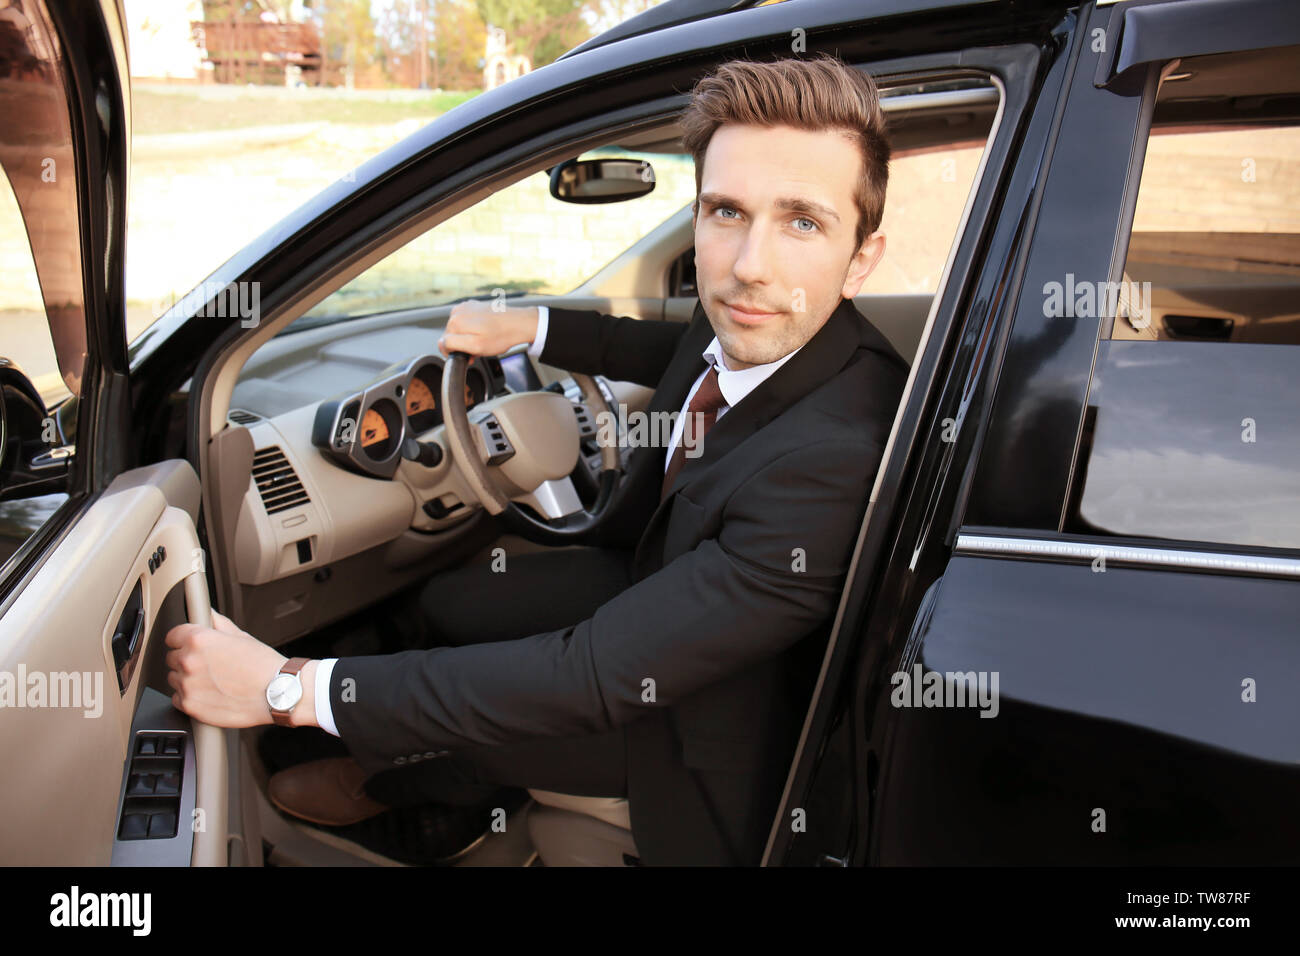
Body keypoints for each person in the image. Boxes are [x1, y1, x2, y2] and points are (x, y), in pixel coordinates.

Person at [165, 53, 908, 866]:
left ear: (862, 258)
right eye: (726, 212)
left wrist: (285, 689)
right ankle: (399, 751)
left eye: (803, 221)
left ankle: (417, 788)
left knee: (497, 721)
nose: (748, 264)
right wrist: (533, 329)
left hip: (689, 731)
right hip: (652, 582)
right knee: (453, 601)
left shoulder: (833, 462)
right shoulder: (755, 317)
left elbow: (585, 678)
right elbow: (670, 346)